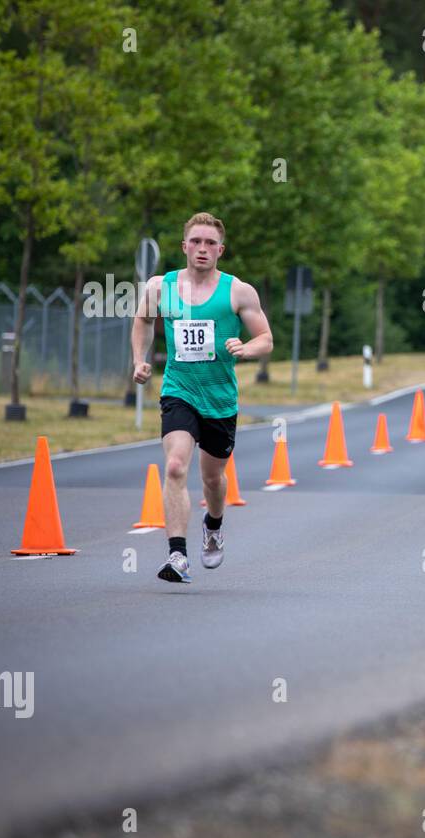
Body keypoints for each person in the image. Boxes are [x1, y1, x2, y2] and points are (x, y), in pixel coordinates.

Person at [130, 212, 273, 584]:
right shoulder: (161, 287)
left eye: (210, 243)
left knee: (213, 479)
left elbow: (266, 340)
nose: (202, 249)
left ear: (220, 250)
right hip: (179, 390)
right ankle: (177, 555)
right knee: (176, 465)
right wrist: (139, 360)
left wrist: (245, 347)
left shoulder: (238, 291)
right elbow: (143, 319)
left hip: (220, 398)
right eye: (196, 241)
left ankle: (214, 525)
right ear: (184, 247)